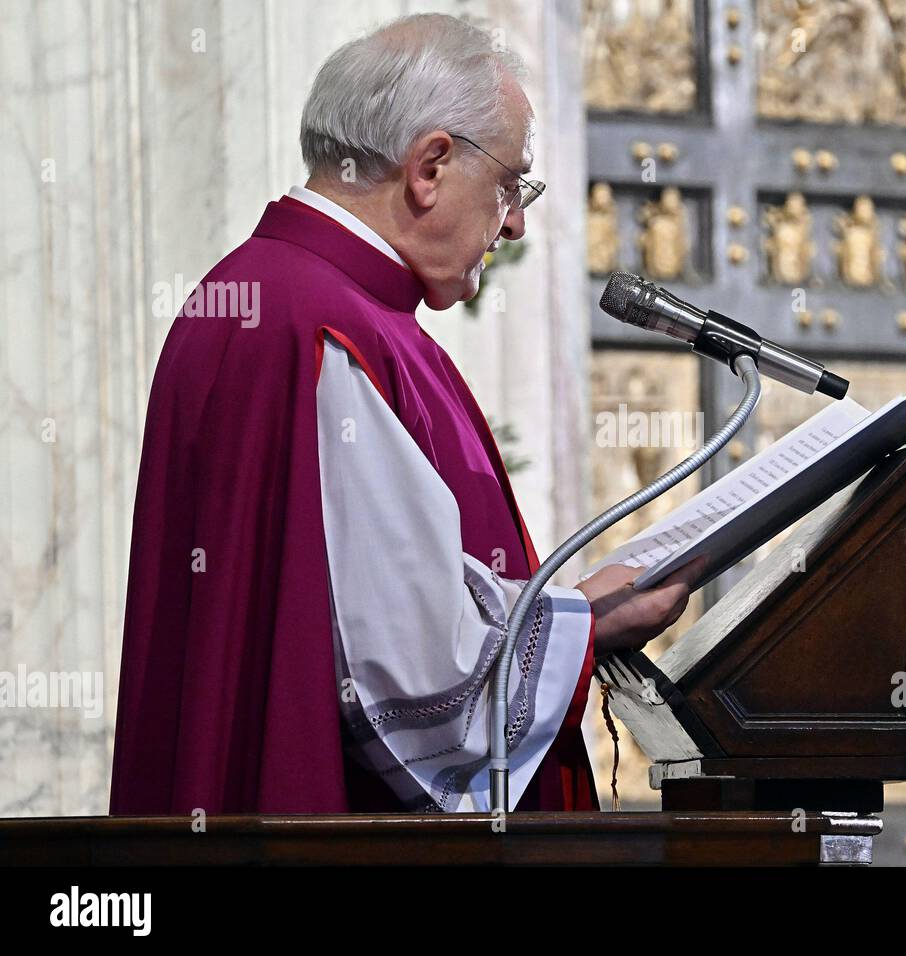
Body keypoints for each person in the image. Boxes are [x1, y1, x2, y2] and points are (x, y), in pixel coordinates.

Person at [109, 13, 704, 816]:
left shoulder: (249, 296)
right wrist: (584, 624)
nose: (517, 220)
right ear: (429, 166)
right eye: (510, 184)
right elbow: (417, 677)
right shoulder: (335, 331)